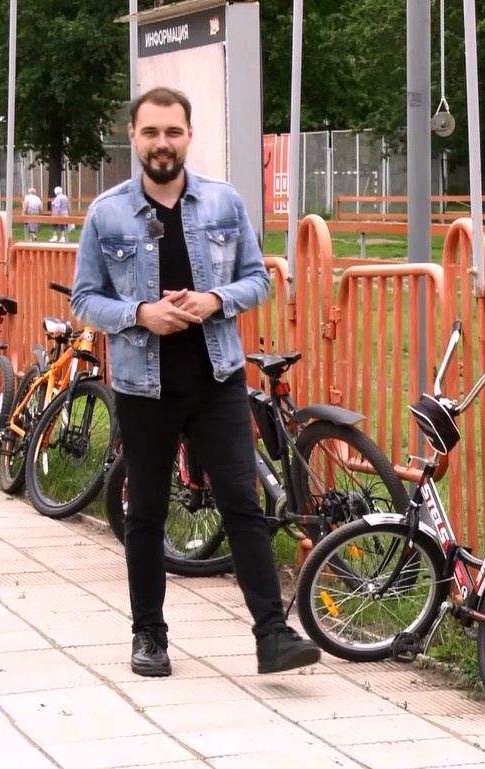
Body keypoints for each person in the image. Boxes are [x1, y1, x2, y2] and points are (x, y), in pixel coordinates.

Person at [70, 86, 320, 678]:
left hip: (218, 378)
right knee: (147, 512)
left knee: (243, 503)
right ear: (133, 136)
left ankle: (273, 635)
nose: (162, 143)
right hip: (143, 385)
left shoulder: (224, 204)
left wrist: (214, 299)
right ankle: (149, 636)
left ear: (188, 135)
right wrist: (139, 314)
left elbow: (259, 280)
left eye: (173, 132)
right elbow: (85, 298)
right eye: (151, 132)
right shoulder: (106, 213)